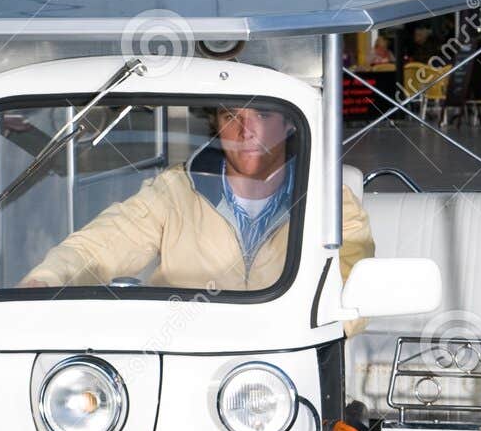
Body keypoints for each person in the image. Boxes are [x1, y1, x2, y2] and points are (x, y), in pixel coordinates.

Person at [20, 102, 373, 296]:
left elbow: (353, 283)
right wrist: (48, 279)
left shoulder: (328, 200)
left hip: (285, 358)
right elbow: (101, 245)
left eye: (262, 115)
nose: (245, 131)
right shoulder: (175, 190)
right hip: (186, 358)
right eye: (231, 115)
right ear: (217, 124)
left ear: (290, 125)